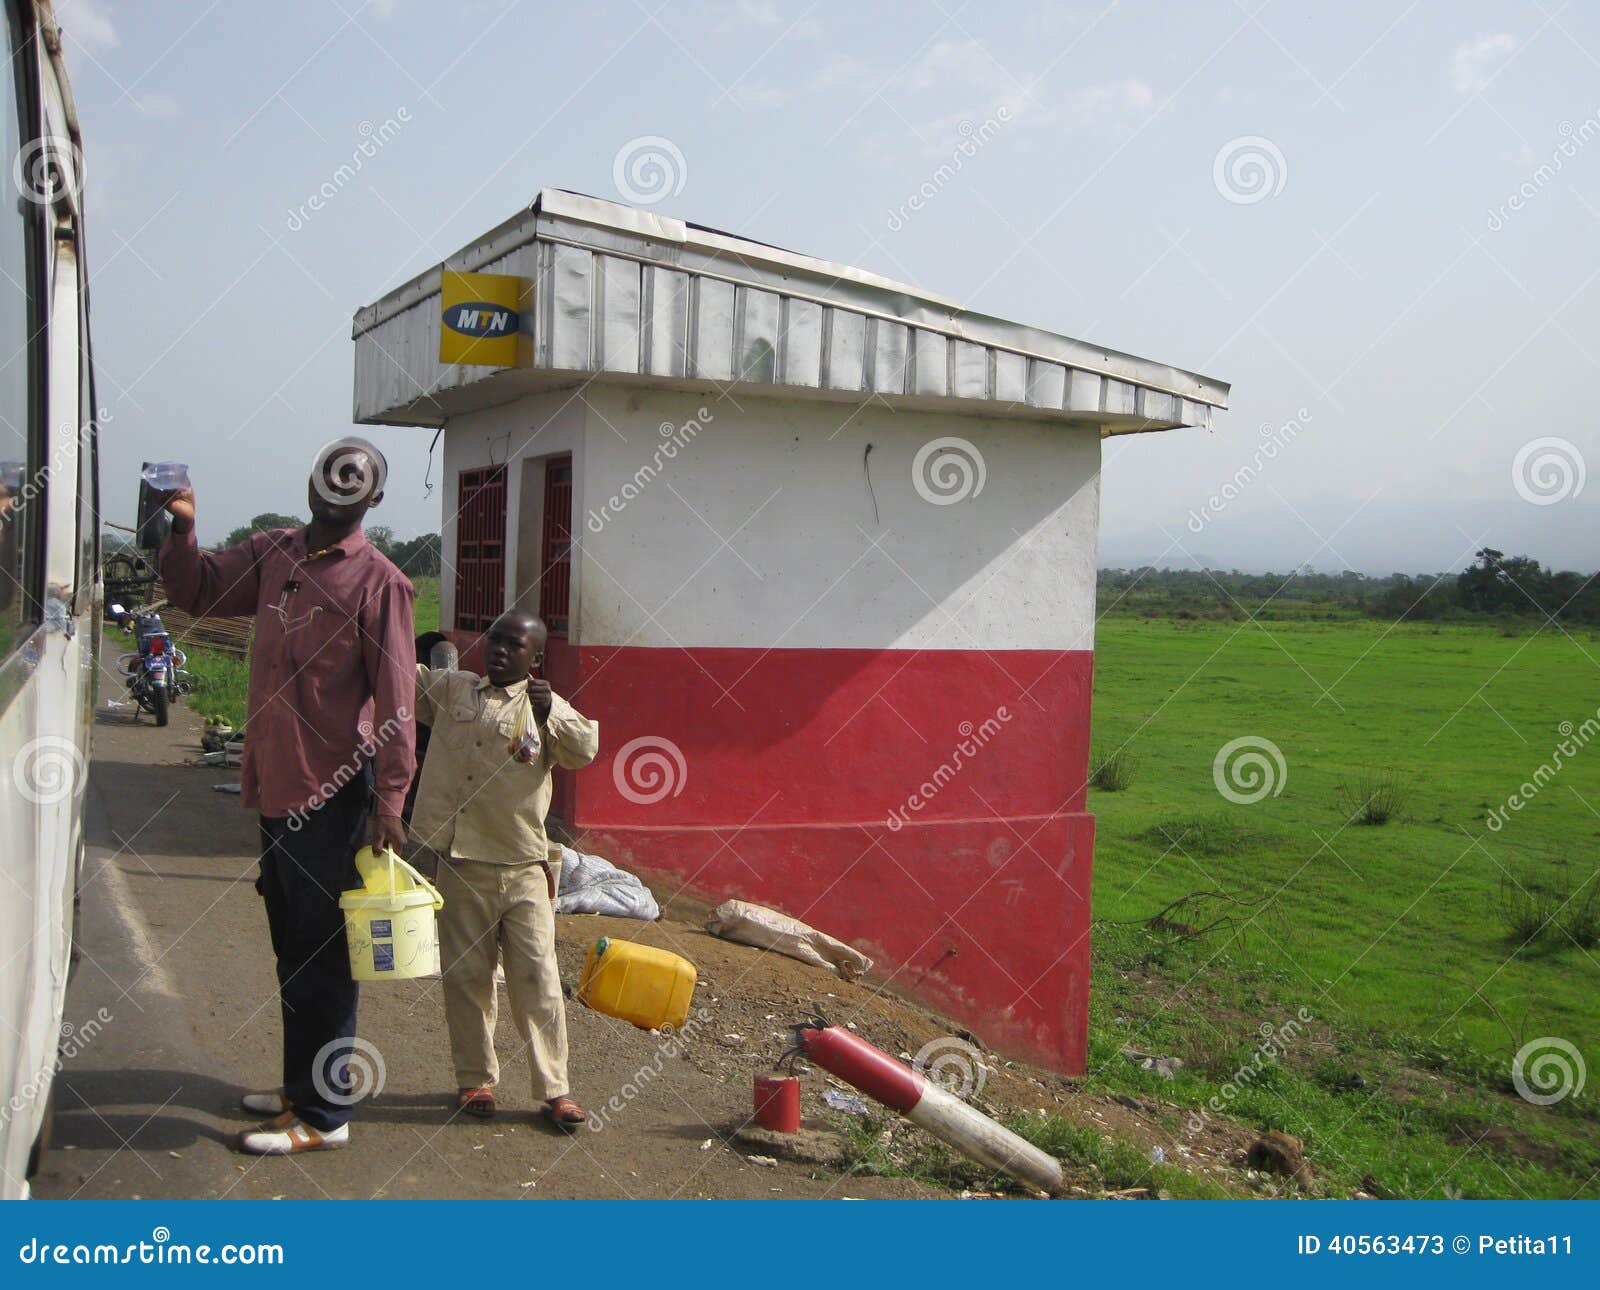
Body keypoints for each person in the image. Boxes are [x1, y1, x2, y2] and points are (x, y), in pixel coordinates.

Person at [158, 438, 415, 1155]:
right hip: (276, 785)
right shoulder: (275, 553)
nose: (337, 494)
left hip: (331, 794)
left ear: (375, 501)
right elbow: (197, 590)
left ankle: (324, 1115)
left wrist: (390, 802)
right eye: (329, 481)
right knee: (290, 944)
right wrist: (181, 528)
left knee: (323, 954)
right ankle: (301, 1083)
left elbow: (398, 699)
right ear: (310, 486)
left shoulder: (381, 581)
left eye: (354, 486)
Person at [411, 609, 597, 1127]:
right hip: (462, 862)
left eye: (514, 645)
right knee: (467, 977)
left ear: (535, 659)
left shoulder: (544, 709)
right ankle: (475, 1081)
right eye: (494, 640)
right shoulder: (454, 691)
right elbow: (397, 677)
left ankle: (555, 1090)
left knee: (538, 979)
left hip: (523, 867)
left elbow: (584, 750)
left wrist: (551, 709)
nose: (498, 650)